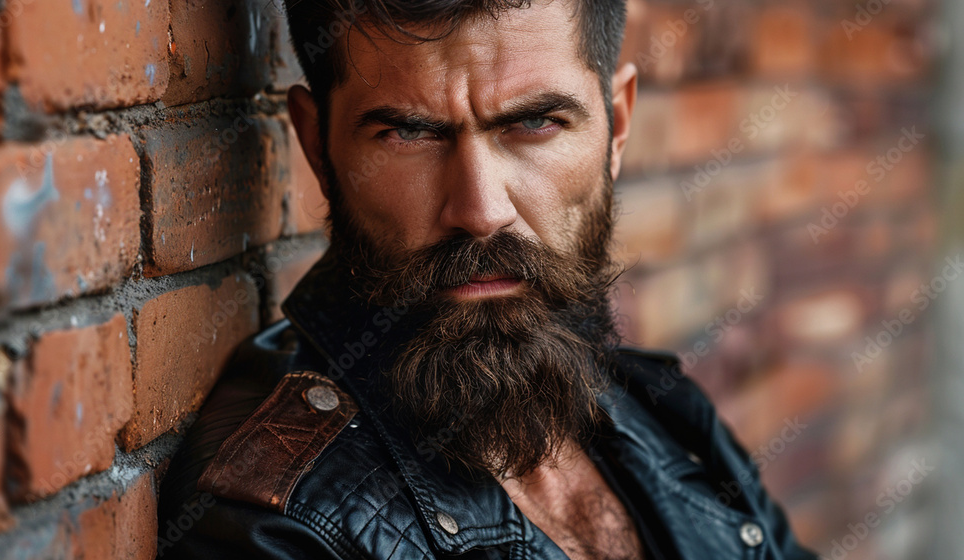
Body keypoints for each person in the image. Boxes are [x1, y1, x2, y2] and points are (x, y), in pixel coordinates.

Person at [157, 1, 817, 558]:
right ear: (317, 147)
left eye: (535, 123)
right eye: (409, 134)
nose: (480, 211)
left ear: (616, 125)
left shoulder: (660, 411)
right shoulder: (280, 525)